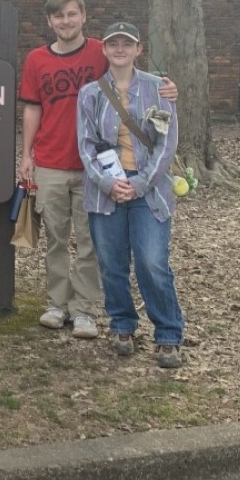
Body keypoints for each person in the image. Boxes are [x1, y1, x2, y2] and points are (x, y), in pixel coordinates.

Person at [18, 0, 176, 340]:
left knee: (90, 243)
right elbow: (32, 107)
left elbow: (132, 77)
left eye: (71, 14)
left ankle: (85, 310)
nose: (65, 21)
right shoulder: (36, 60)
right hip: (52, 162)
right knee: (57, 239)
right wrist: (26, 154)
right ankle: (57, 304)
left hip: (102, 170)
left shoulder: (100, 51)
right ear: (50, 22)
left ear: (83, 16)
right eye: (58, 16)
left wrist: (168, 89)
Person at [77, 21, 184, 369]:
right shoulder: (90, 94)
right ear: (104, 50)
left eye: (127, 43)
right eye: (113, 43)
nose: (119, 49)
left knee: (152, 263)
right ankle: (122, 326)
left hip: (149, 189)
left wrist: (139, 184)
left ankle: (168, 335)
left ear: (139, 49)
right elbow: (86, 145)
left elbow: (166, 144)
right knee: (112, 264)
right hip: (105, 189)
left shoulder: (160, 90)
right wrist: (109, 184)